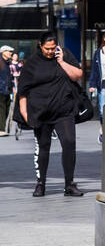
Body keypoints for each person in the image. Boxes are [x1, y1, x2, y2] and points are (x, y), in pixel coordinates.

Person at [16, 31, 85, 197]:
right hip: (41, 113)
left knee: (69, 143)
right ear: (40, 46)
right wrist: (25, 114)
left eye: (53, 48)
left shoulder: (64, 55)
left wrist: (61, 61)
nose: (50, 51)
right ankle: (41, 183)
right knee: (43, 148)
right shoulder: (32, 63)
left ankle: (69, 184)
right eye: (47, 48)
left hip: (64, 111)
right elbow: (22, 91)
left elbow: (78, 75)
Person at [0, 46, 14, 132]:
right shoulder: (0, 62)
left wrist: (11, 86)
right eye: (9, 51)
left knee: (6, 109)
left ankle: (2, 128)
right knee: (2, 109)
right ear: (3, 52)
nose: (11, 53)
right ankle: (1, 129)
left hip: (6, 90)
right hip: (1, 90)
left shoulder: (6, 62)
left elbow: (8, 77)